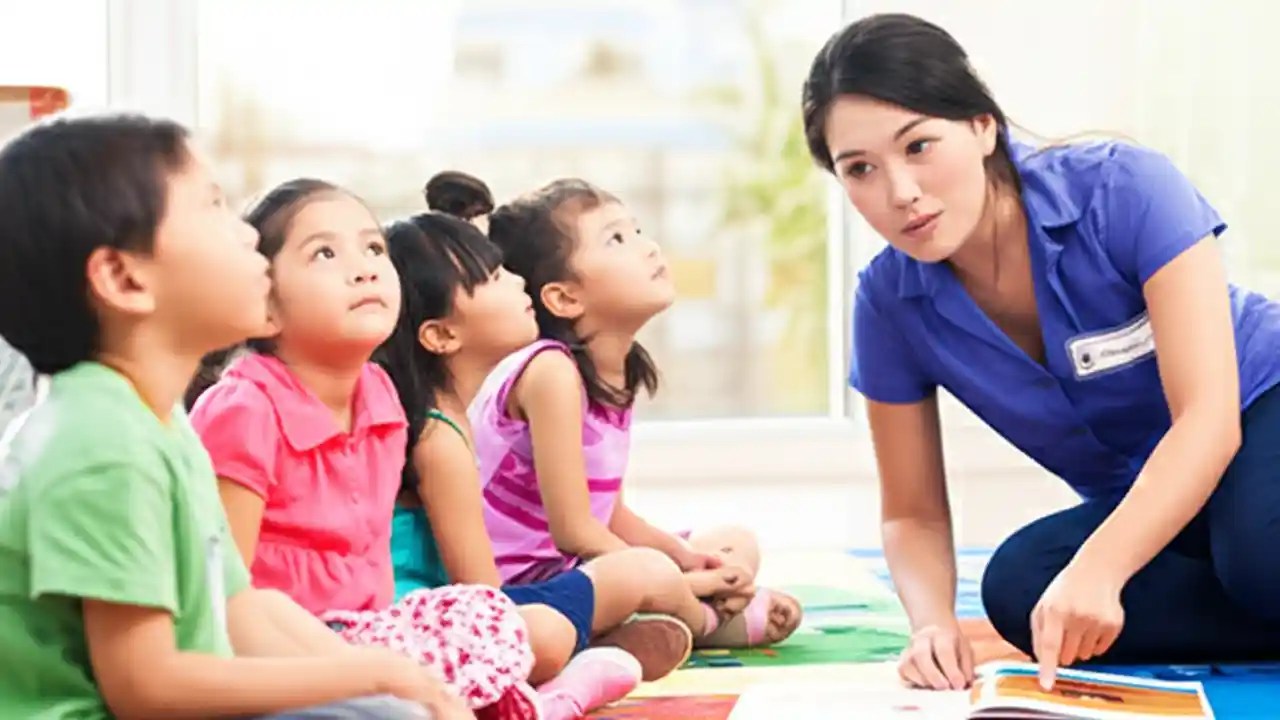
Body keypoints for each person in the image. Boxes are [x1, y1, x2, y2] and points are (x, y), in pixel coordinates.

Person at [801, 12, 1280, 692]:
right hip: (1159, 500)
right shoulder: (887, 304)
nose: (900, 193)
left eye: (918, 146)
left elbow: (1208, 418)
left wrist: (1104, 567)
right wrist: (932, 623)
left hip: (1259, 408)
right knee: (1022, 587)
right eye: (860, 169)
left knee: (1259, 555)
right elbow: (912, 511)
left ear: (981, 127)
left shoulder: (1126, 189)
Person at [0, 113, 459, 719]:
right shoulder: (101, 440)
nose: (246, 235)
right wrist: (374, 679)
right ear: (123, 277)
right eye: (213, 207)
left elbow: (242, 609)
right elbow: (146, 688)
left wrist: (389, 679)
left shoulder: (153, 421)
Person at [186, 178, 530, 719]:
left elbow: (373, 562)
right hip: (275, 650)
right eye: (324, 252)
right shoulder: (244, 409)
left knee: (499, 622)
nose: (365, 267)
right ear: (266, 305)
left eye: (373, 248)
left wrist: (388, 646)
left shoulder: (381, 396)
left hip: (361, 633)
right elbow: (224, 596)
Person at [381, 174, 711, 693]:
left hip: (472, 613)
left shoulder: (453, 422)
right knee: (566, 618)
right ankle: (588, 674)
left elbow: (606, 517)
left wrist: (681, 568)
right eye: (493, 276)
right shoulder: (441, 437)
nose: (517, 282)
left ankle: (613, 642)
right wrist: (676, 581)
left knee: (648, 574)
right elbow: (485, 608)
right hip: (453, 623)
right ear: (442, 334)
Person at [471, 175, 804, 649]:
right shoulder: (551, 372)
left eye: (638, 231)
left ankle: (681, 605)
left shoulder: (613, 371)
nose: (647, 248)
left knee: (733, 538)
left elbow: (613, 515)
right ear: (565, 297)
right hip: (531, 585)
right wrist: (667, 573)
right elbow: (574, 531)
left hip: (586, 561)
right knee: (645, 572)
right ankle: (705, 621)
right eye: (616, 240)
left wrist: (687, 559)